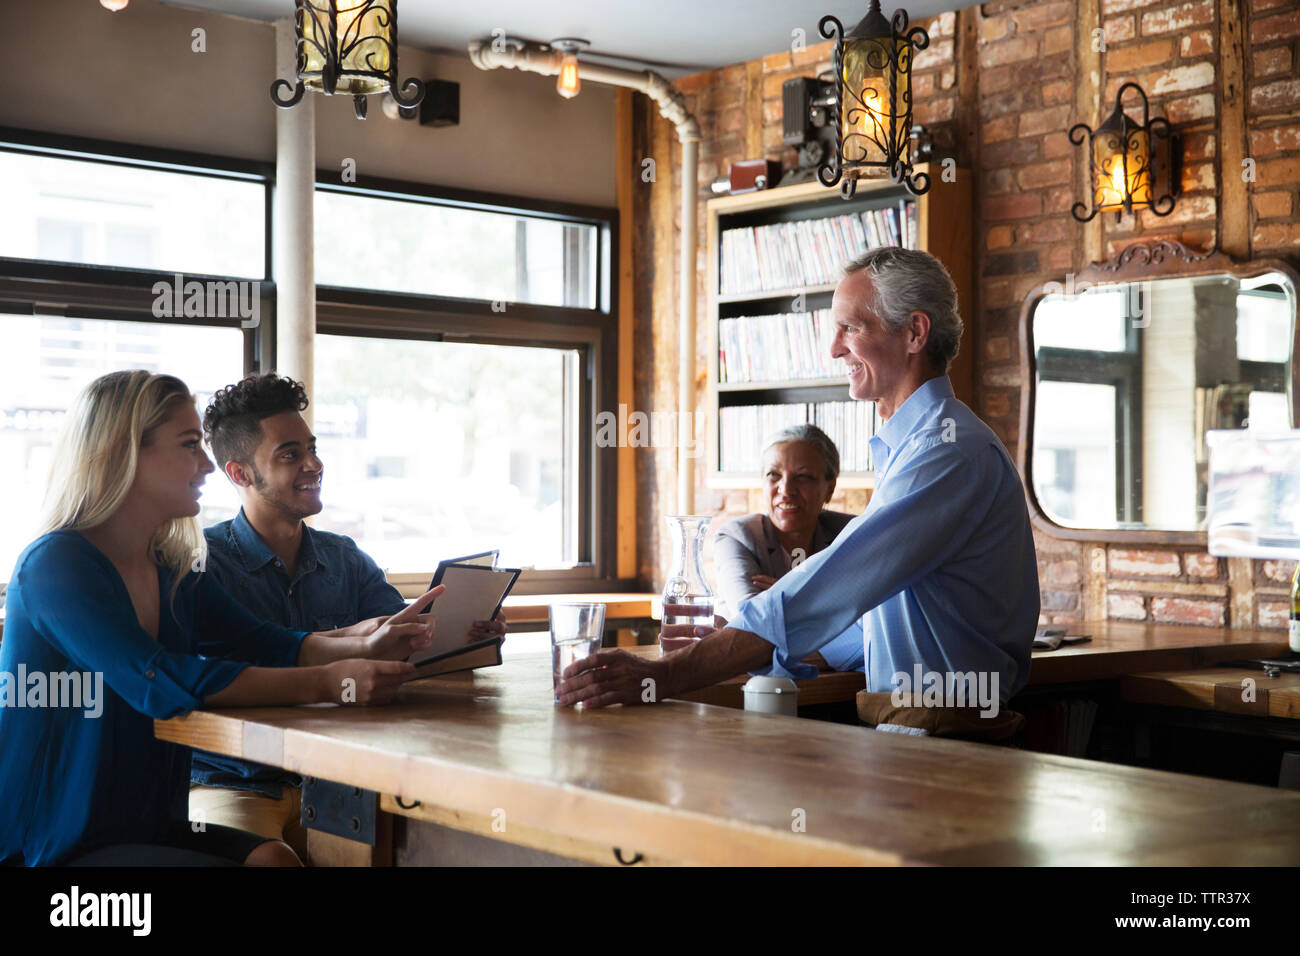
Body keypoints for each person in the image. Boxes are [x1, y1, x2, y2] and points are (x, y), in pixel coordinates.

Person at [558, 247, 1040, 740]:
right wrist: (731, 643)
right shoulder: (923, 444)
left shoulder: (947, 452)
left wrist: (668, 673)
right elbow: (874, 625)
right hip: (917, 730)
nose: (834, 349)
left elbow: (825, 590)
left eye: (851, 328)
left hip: (947, 740)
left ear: (915, 332)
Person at [0, 370, 440, 866]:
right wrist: (330, 682)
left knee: (275, 861)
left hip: (148, 826)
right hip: (54, 847)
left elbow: (262, 640)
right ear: (125, 454)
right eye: (190, 445)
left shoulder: (171, 566)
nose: (207, 464)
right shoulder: (55, 565)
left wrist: (357, 645)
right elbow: (156, 677)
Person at [189, 373, 506, 856]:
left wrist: (469, 635)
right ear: (239, 474)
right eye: (290, 454)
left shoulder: (343, 557)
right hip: (233, 782)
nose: (314, 464)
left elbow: (406, 644)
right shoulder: (202, 563)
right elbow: (209, 677)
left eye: (312, 448)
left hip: (342, 779)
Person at [712, 423, 862, 674]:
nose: (786, 490)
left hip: (833, 684)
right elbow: (754, 625)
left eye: (803, 477)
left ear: (830, 488)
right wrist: (826, 606)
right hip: (747, 683)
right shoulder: (737, 536)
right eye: (774, 475)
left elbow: (868, 624)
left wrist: (785, 598)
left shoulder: (849, 534)